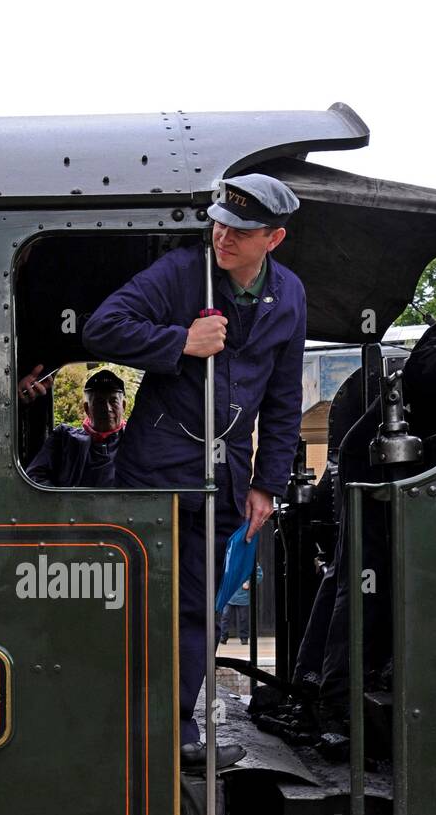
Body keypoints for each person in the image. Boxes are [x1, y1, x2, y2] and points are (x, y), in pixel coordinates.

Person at [82, 174, 306, 768]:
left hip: (227, 475)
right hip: (154, 470)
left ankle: (177, 731)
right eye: (219, 222)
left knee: (197, 609)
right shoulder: (181, 272)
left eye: (242, 230)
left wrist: (268, 482)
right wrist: (181, 340)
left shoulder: (289, 297)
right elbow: (101, 328)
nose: (224, 236)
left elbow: (284, 398)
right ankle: (117, 727)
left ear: (274, 238)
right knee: (137, 601)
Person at [292, 273, 436, 747]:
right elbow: (430, 367)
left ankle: (316, 680)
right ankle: (337, 703)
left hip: (407, 470)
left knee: (360, 576)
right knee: (365, 577)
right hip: (380, 460)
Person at [25, 369, 126, 487]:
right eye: (99, 402)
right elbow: (34, 476)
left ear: (123, 406)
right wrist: (63, 502)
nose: (107, 408)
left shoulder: (135, 441)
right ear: (87, 408)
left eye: (113, 401)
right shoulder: (63, 438)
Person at [220, 564, 263, 644]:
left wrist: (249, 583)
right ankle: (223, 637)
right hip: (229, 595)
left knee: (244, 619)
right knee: (225, 617)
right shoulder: (230, 556)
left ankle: (244, 638)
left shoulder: (249, 557)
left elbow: (259, 574)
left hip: (243, 597)